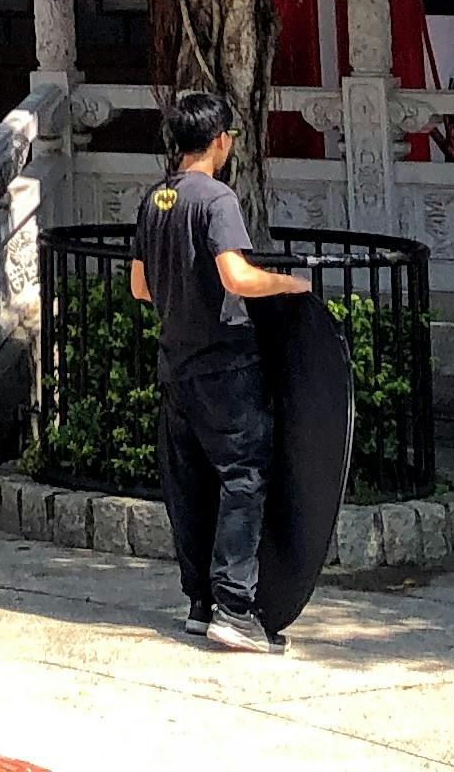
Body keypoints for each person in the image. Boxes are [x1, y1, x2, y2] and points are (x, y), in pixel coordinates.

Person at [130, 89, 315, 655]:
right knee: (243, 476)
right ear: (220, 141)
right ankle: (235, 607)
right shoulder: (217, 199)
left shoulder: (155, 198)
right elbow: (236, 276)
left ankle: (198, 604)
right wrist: (289, 285)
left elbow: (139, 287)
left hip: (175, 363)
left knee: (188, 484)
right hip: (224, 363)